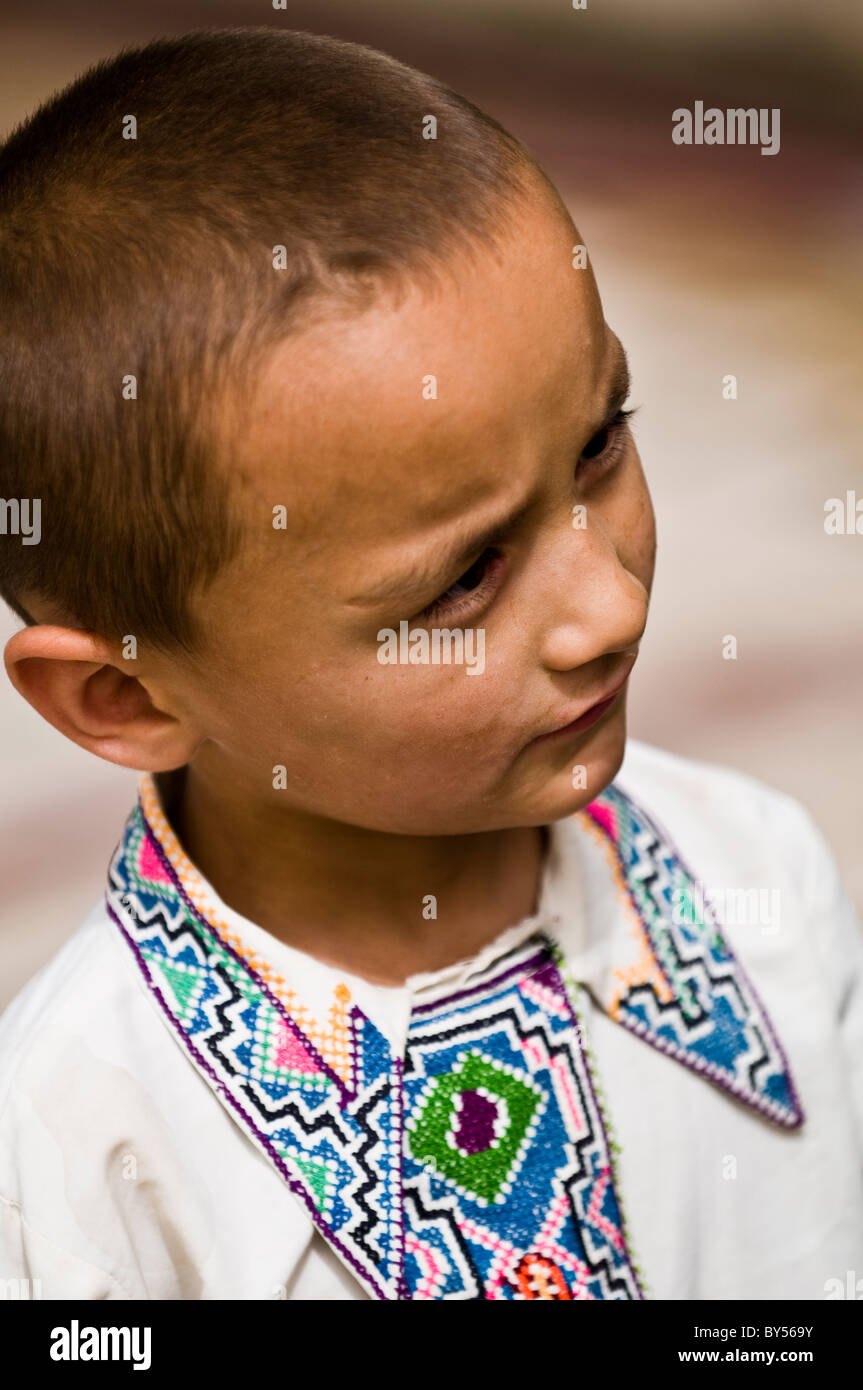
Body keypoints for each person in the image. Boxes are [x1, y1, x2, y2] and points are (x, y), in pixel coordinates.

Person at [0, 27, 860, 1301]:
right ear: (126, 695)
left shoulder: (751, 875)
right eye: (461, 579)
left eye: (598, 445)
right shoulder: (81, 1155)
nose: (606, 608)